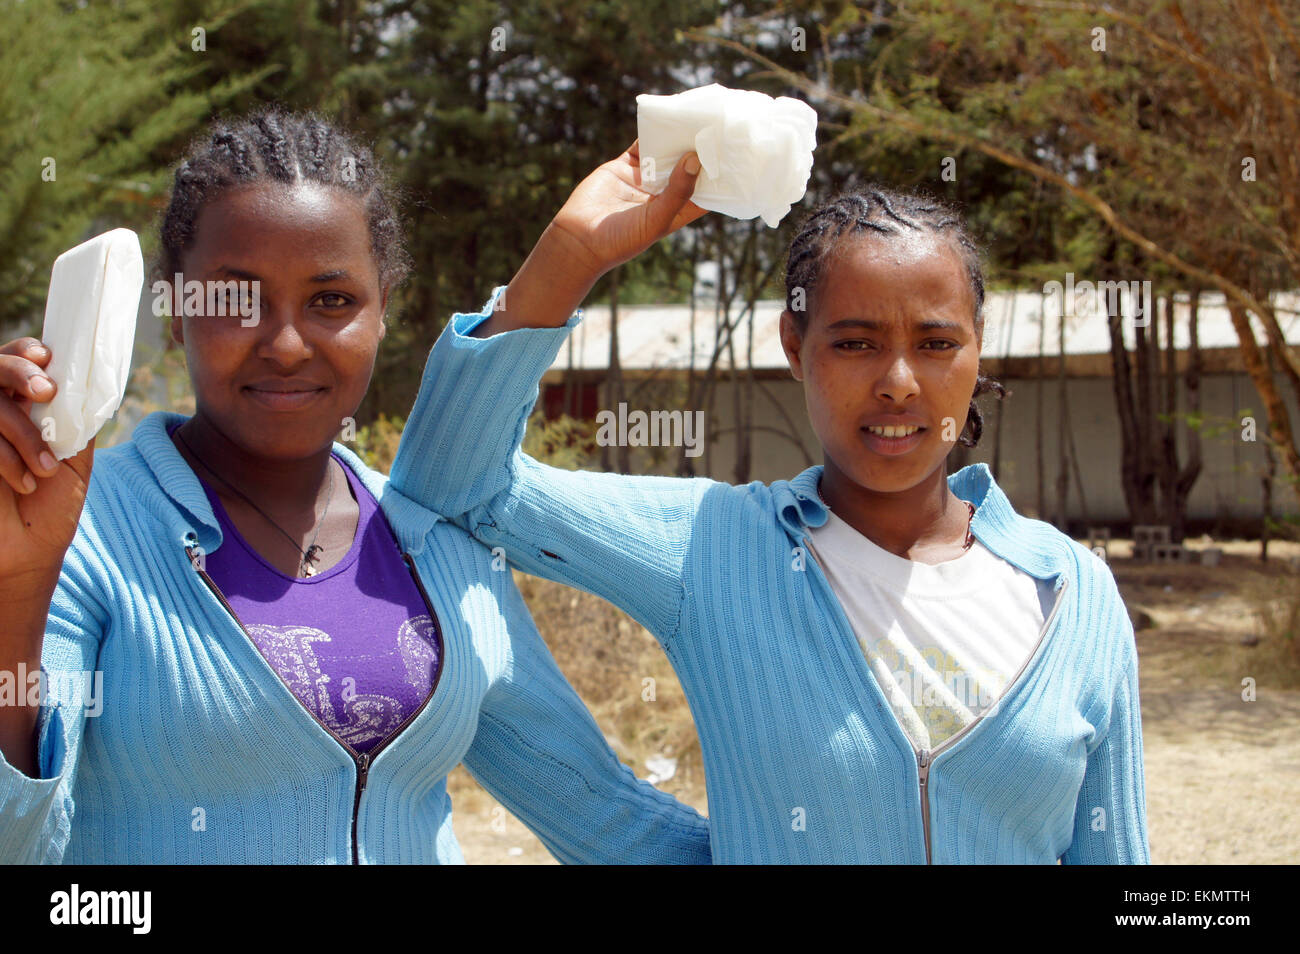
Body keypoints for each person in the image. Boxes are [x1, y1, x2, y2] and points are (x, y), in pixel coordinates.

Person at [388, 141, 1151, 864]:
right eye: (854, 343)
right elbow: (456, 481)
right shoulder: (714, 548)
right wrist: (573, 254)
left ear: (978, 346)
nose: (898, 381)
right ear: (794, 344)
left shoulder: (1072, 594)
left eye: (937, 342)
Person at [0, 108, 711, 864]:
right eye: (237, 301)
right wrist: (20, 579)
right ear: (176, 310)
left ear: (384, 312)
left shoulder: (438, 545)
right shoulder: (82, 531)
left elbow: (608, 822)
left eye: (332, 301)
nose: (285, 344)